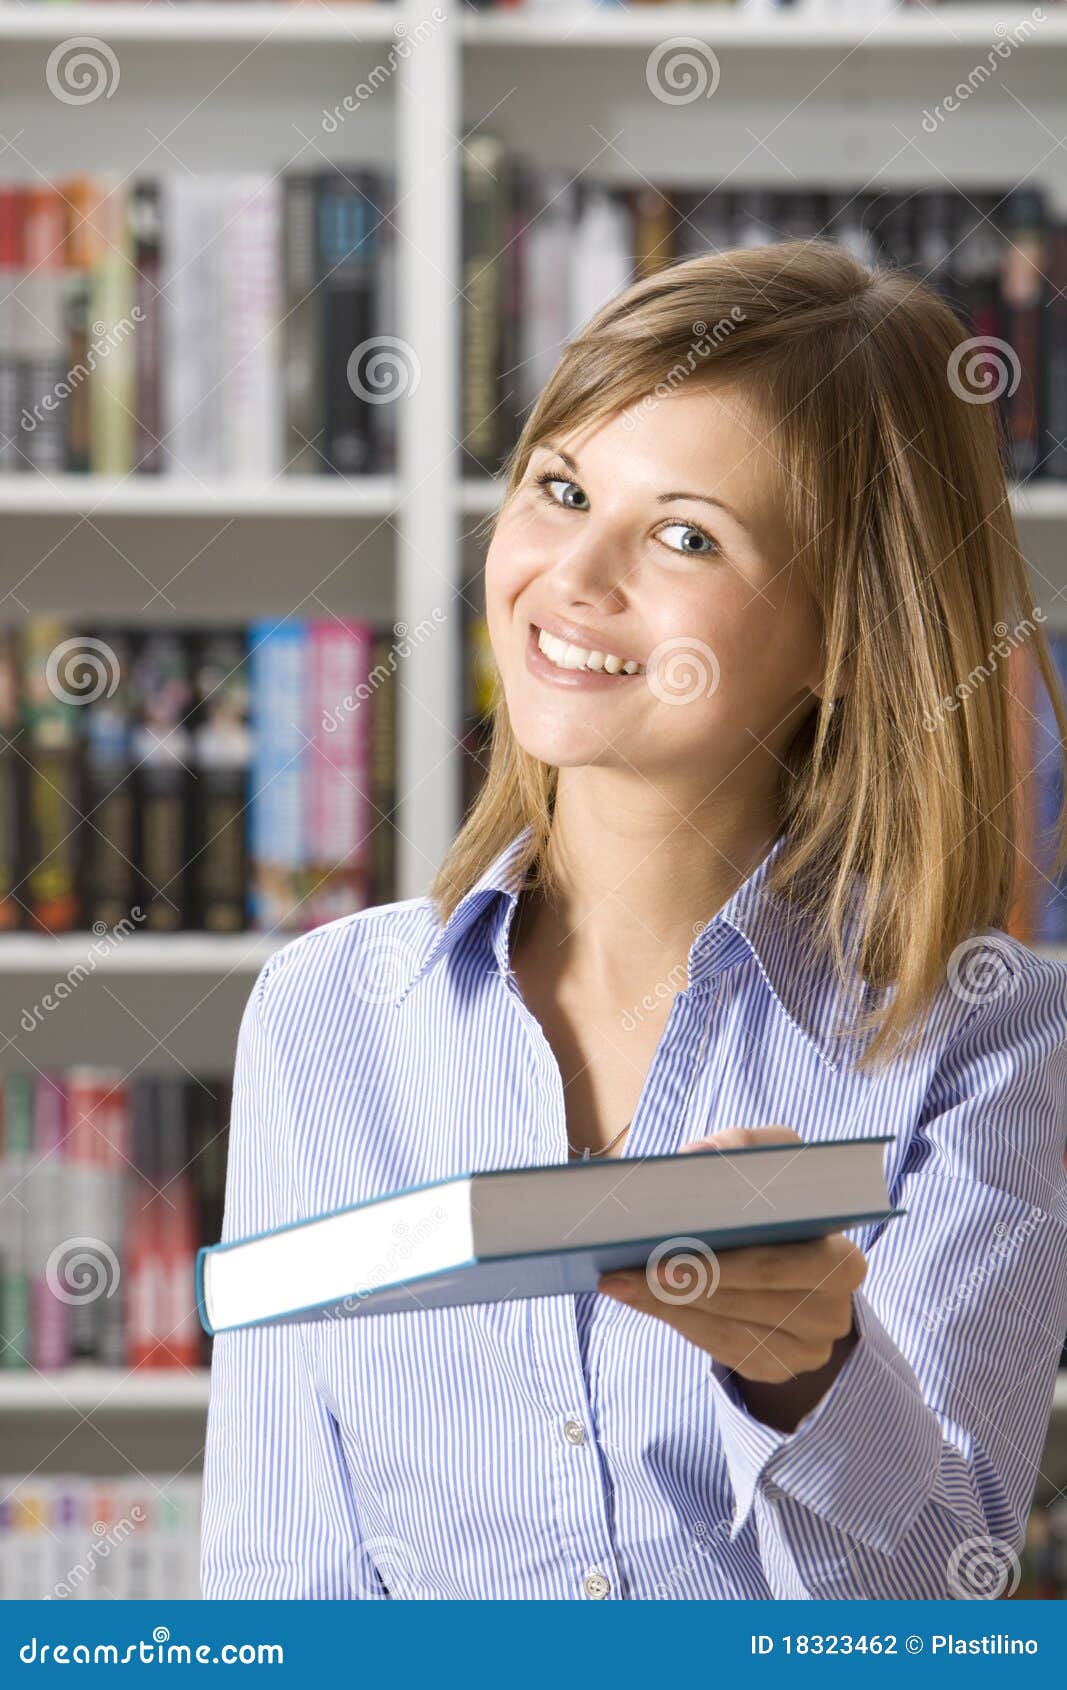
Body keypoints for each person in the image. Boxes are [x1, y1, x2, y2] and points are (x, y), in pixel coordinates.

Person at [200, 239, 1067, 1600]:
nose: (572, 576)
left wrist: (814, 1374)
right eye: (561, 489)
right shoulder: (327, 1015)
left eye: (685, 535)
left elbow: (933, 1619)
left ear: (847, 634)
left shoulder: (986, 1036)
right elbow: (280, 1583)